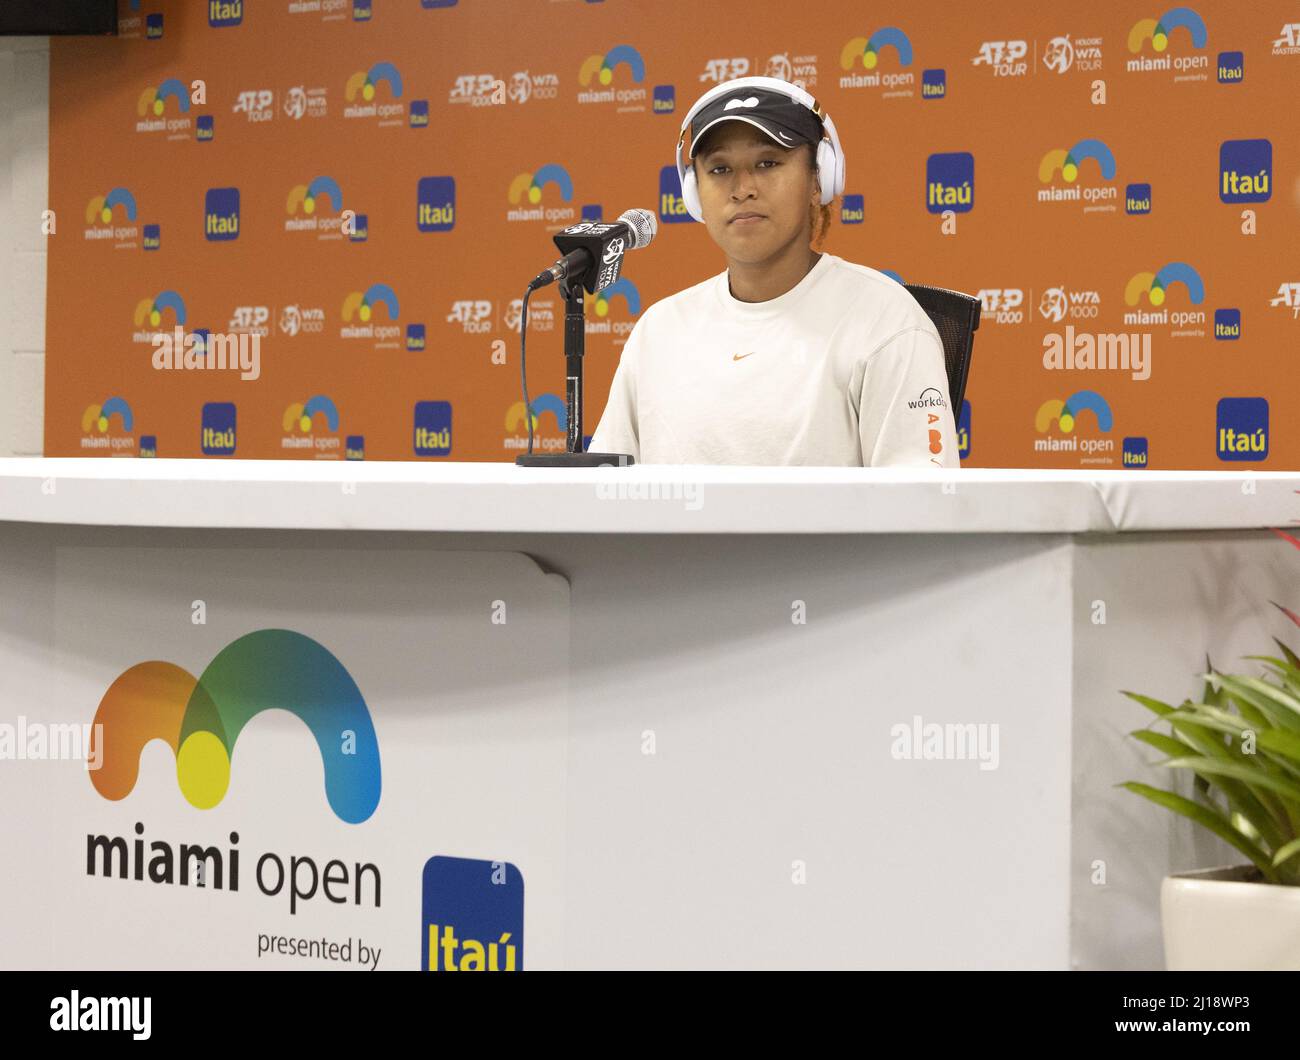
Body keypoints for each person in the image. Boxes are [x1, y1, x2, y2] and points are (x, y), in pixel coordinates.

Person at [588, 76, 960, 467]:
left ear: (819, 178)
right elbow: (604, 499)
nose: (742, 188)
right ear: (693, 194)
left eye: (768, 163)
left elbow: (921, 511)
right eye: (719, 169)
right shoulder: (659, 330)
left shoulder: (886, 323)